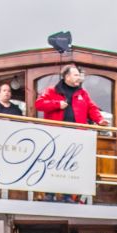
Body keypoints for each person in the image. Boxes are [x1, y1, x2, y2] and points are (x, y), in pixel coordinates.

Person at [34, 64, 109, 203]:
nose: (79, 78)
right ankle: (49, 194)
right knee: (52, 163)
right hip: (56, 134)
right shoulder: (51, 90)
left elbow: (91, 108)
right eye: (76, 75)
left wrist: (99, 119)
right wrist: (57, 104)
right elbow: (39, 104)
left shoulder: (83, 93)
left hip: (76, 136)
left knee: (71, 164)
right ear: (67, 77)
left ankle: (67, 195)